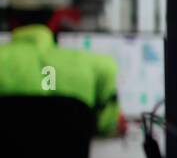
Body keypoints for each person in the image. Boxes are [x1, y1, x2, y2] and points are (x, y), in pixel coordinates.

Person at [0, 8, 123, 137]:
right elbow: (108, 126)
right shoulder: (100, 66)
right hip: (68, 156)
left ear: (10, 20)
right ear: (56, 19)